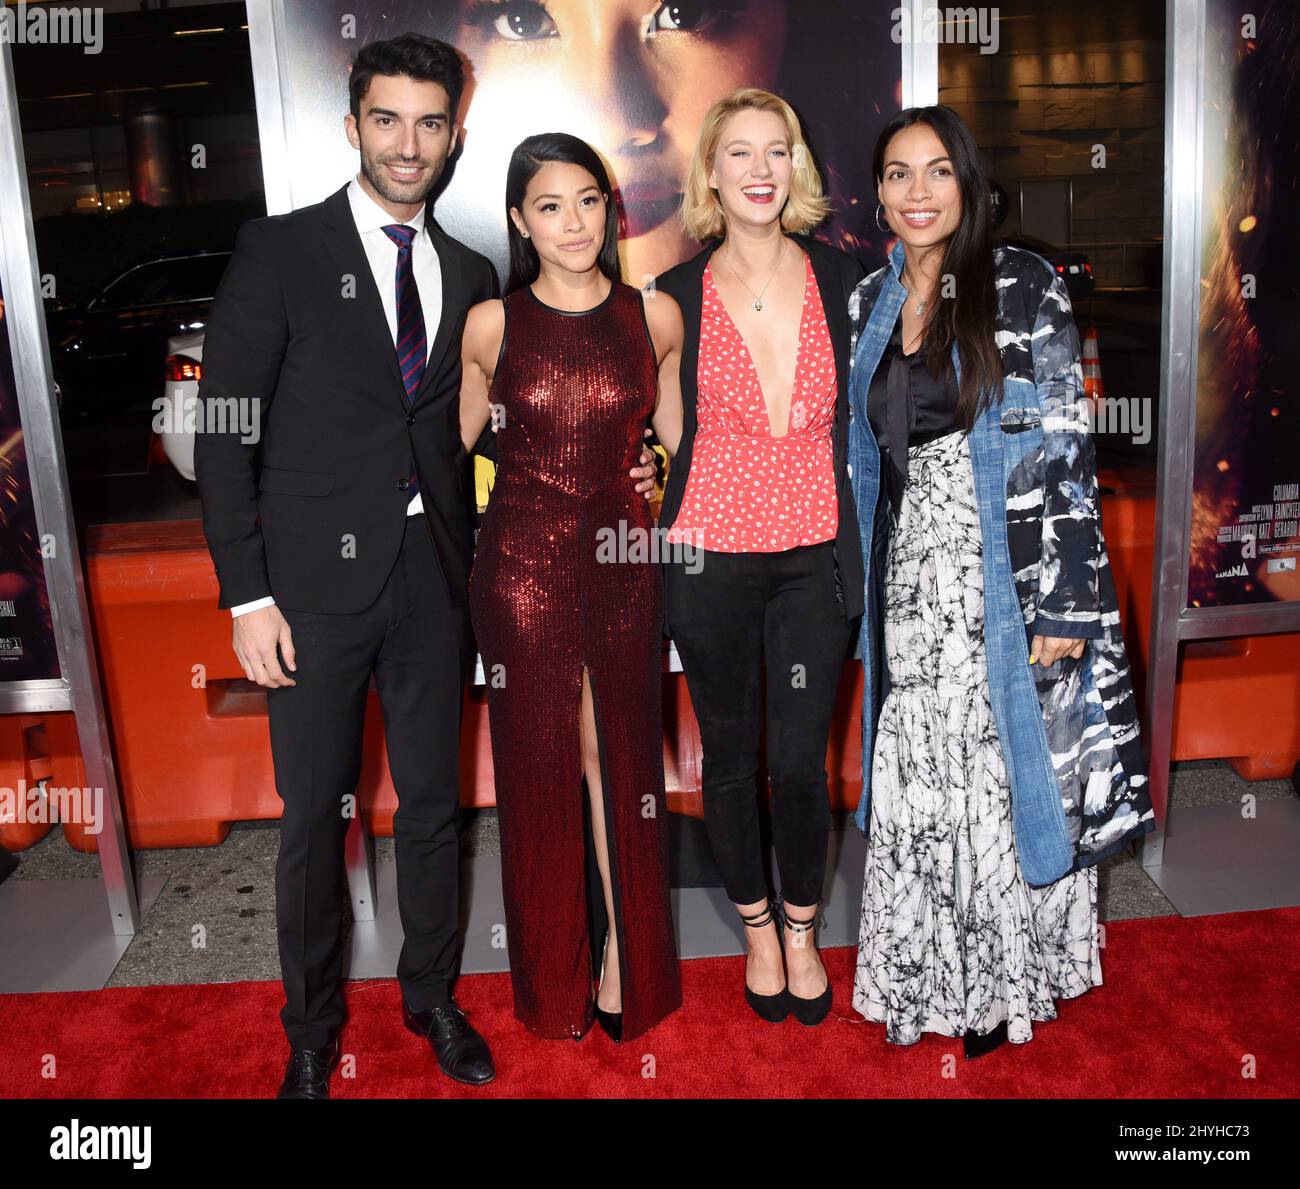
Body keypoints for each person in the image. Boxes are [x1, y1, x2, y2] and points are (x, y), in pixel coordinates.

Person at [193, 33, 659, 1096]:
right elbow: (226, 431)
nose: (409, 143)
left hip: (438, 577)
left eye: (431, 122)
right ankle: (311, 1032)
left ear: (455, 135)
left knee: (436, 804)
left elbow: (501, 426)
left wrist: (623, 442)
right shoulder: (281, 251)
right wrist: (247, 591)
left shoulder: (470, 271)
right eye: (388, 120)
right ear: (352, 125)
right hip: (306, 588)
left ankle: (431, 996)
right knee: (316, 814)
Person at [846, 105, 1154, 1054]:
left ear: (970, 184)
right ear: (879, 193)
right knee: (922, 763)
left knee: (1001, 765)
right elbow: (859, 453)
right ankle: (926, 972)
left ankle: (1001, 982)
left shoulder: (1024, 283)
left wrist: (1064, 600)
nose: (918, 192)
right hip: (905, 567)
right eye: (897, 174)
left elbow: (1063, 441)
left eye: (937, 172)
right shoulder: (870, 297)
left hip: (1006, 560)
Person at [459, 133, 685, 1042]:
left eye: (588, 200)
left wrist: (660, 478)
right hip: (519, 568)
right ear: (520, 220)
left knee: (619, 758)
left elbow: (682, 446)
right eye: (549, 206)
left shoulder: (653, 317)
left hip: (623, 564)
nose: (573, 222)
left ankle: (628, 957)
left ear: (611, 208)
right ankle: (558, 974)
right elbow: (445, 452)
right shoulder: (493, 324)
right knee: (542, 763)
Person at [654, 88, 865, 1027]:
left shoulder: (844, 283)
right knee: (730, 757)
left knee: (802, 760)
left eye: (775, 151)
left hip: (814, 550)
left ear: (797, 166)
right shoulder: (670, 297)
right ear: (710, 172)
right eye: (737, 153)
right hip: (710, 555)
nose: (758, 171)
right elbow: (661, 434)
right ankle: (756, 932)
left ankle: (806, 928)